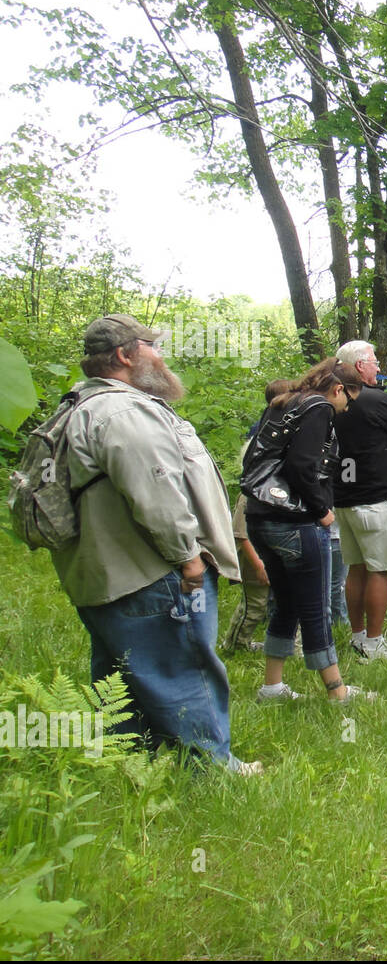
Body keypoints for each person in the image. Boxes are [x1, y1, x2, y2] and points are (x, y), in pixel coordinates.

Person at [52, 313, 260, 774]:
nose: (162, 357)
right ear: (126, 355)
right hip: (150, 573)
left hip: (110, 573)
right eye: (154, 347)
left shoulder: (85, 405)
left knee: (122, 677)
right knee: (183, 669)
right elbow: (157, 495)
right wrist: (188, 561)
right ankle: (211, 772)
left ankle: (130, 769)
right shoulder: (124, 412)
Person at [244, 359, 375, 703]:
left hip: (260, 517)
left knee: (285, 604)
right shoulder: (319, 408)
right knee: (315, 607)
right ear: (337, 389)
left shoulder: (287, 402)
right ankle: (337, 691)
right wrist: (322, 511)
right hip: (294, 521)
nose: (348, 407)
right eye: (350, 398)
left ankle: (271, 687)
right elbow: (302, 465)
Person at [332, 340, 387, 659]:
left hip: (344, 499)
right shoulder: (372, 400)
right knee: (380, 570)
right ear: (359, 366)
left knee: (356, 568)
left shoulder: (331, 400)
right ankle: (373, 641)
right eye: (374, 361)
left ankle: (357, 636)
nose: (379, 367)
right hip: (377, 499)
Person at [224, 379, 293, 653]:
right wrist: (257, 563)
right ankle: (234, 645)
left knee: (271, 602)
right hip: (253, 555)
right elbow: (240, 534)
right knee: (254, 604)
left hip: (269, 553)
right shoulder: (249, 495)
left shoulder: (276, 492)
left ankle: (275, 643)